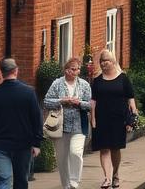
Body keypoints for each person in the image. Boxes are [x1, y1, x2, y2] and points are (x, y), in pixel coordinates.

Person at [0, 58, 43, 189]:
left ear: (1, 72)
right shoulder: (29, 93)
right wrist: (36, 143)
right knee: (21, 180)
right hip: (23, 145)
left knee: (3, 180)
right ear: (16, 70)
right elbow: (37, 120)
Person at [90, 50, 137, 189]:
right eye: (102, 61)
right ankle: (107, 178)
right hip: (102, 118)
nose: (104, 63)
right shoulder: (97, 81)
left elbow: (131, 99)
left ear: (113, 61)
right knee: (104, 149)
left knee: (115, 149)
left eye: (107, 60)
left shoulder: (123, 79)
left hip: (119, 119)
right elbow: (93, 101)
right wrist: (93, 119)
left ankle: (115, 174)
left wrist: (132, 118)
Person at [44, 57, 92, 189]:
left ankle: (74, 183)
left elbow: (89, 105)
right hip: (60, 126)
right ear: (66, 70)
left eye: (77, 69)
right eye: (73, 69)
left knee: (75, 153)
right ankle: (66, 185)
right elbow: (46, 101)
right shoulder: (57, 84)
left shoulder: (84, 85)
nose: (76, 72)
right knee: (62, 158)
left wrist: (79, 103)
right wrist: (61, 101)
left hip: (78, 126)